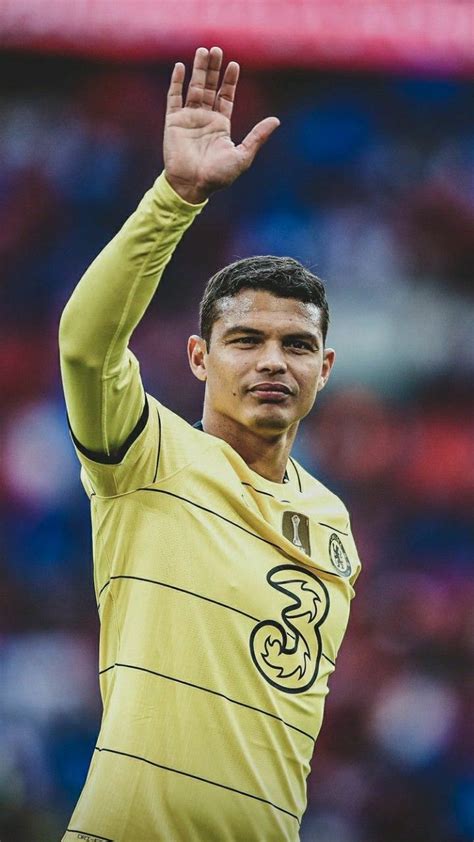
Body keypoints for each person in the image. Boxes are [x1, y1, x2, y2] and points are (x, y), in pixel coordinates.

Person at [59, 46, 361, 842]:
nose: (272, 361)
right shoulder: (146, 456)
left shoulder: (333, 522)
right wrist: (176, 197)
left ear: (324, 369)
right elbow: (86, 345)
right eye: (245, 339)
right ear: (199, 357)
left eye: (296, 346)